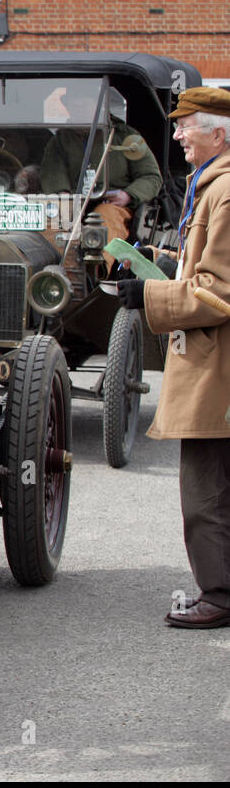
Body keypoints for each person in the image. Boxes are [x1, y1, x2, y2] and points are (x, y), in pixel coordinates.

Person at [116, 86, 230, 629]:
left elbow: (221, 292)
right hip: (215, 363)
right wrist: (154, 261)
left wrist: (150, 295)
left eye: (187, 127)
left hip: (220, 367)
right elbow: (202, 267)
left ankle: (221, 596)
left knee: (207, 491)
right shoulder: (214, 185)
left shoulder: (225, 191)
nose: (178, 135)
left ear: (219, 133)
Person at [40, 91, 161, 270]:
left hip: (113, 203)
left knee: (106, 216)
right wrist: (62, 195)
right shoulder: (61, 140)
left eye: (85, 105)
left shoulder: (125, 136)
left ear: (100, 106)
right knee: (53, 220)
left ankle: (97, 270)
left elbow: (151, 176)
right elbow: (52, 172)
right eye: (74, 106)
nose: (79, 110)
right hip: (73, 204)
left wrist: (128, 195)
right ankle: (55, 271)